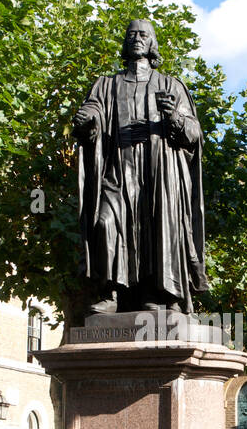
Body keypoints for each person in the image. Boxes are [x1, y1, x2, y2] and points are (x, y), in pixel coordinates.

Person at [72, 19, 209, 315]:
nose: (136, 38)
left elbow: (194, 135)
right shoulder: (106, 85)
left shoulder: (171, 85)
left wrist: (175, 117)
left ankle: (156, 293)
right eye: (131, 33)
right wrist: (87, 120)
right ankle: (110, 292)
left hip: (158, 173)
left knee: (157, 229)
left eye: (143, 34)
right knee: (104, 223)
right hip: (117, 170)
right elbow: (92, 113)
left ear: (152, 44)